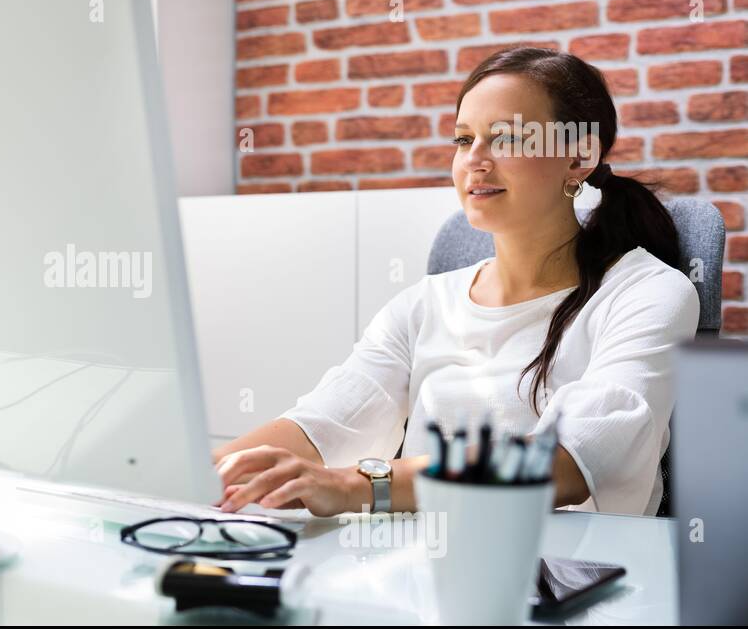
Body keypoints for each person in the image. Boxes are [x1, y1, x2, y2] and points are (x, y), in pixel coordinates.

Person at [213, 47, 699, 518]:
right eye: (464, 140)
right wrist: (188, 474)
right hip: (421, 569)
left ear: (578, 159)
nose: (475, 160)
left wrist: (354, 486)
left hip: (572, 580)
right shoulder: (424, 305)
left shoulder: (648, 294)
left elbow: (570, 462)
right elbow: (322, 425)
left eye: (506, 138)